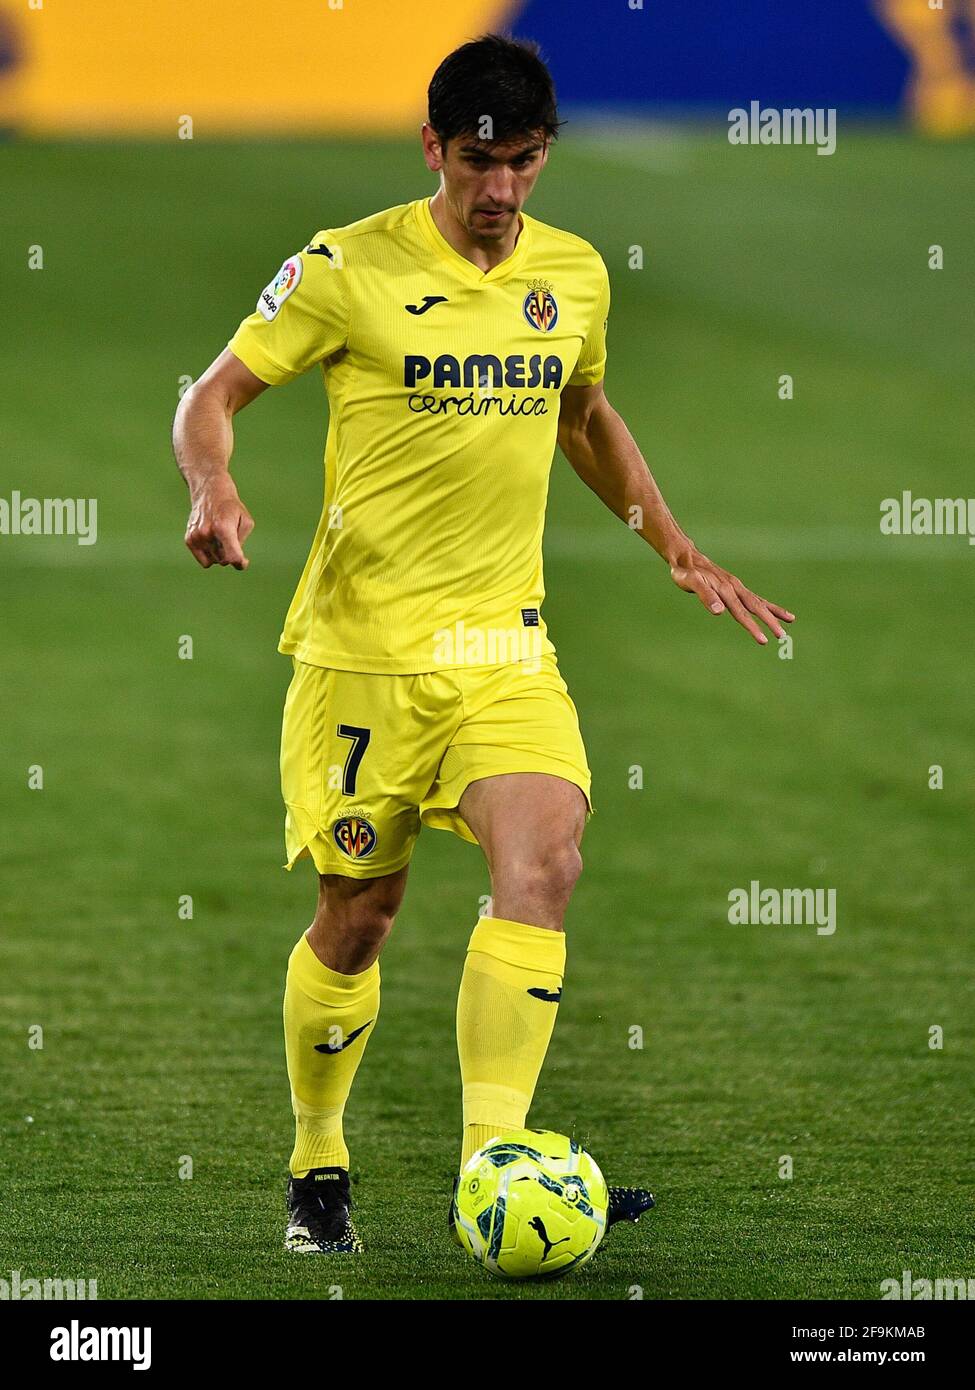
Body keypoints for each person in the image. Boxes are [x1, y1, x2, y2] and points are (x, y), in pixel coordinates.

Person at [172, 34, 794, 1255]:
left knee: (546, 863)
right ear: (432, 150)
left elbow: (586, 412)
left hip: (507, 652)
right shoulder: (346, 266)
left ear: (547, 153)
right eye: (476, 165)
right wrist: (213, 487)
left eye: (523, 164)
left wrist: (671, 540)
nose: (501, 193)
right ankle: (318, 1160)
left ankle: (491, 1166)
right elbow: (212, 395)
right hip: (362, 659)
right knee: (359, 915)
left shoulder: (574, 275)